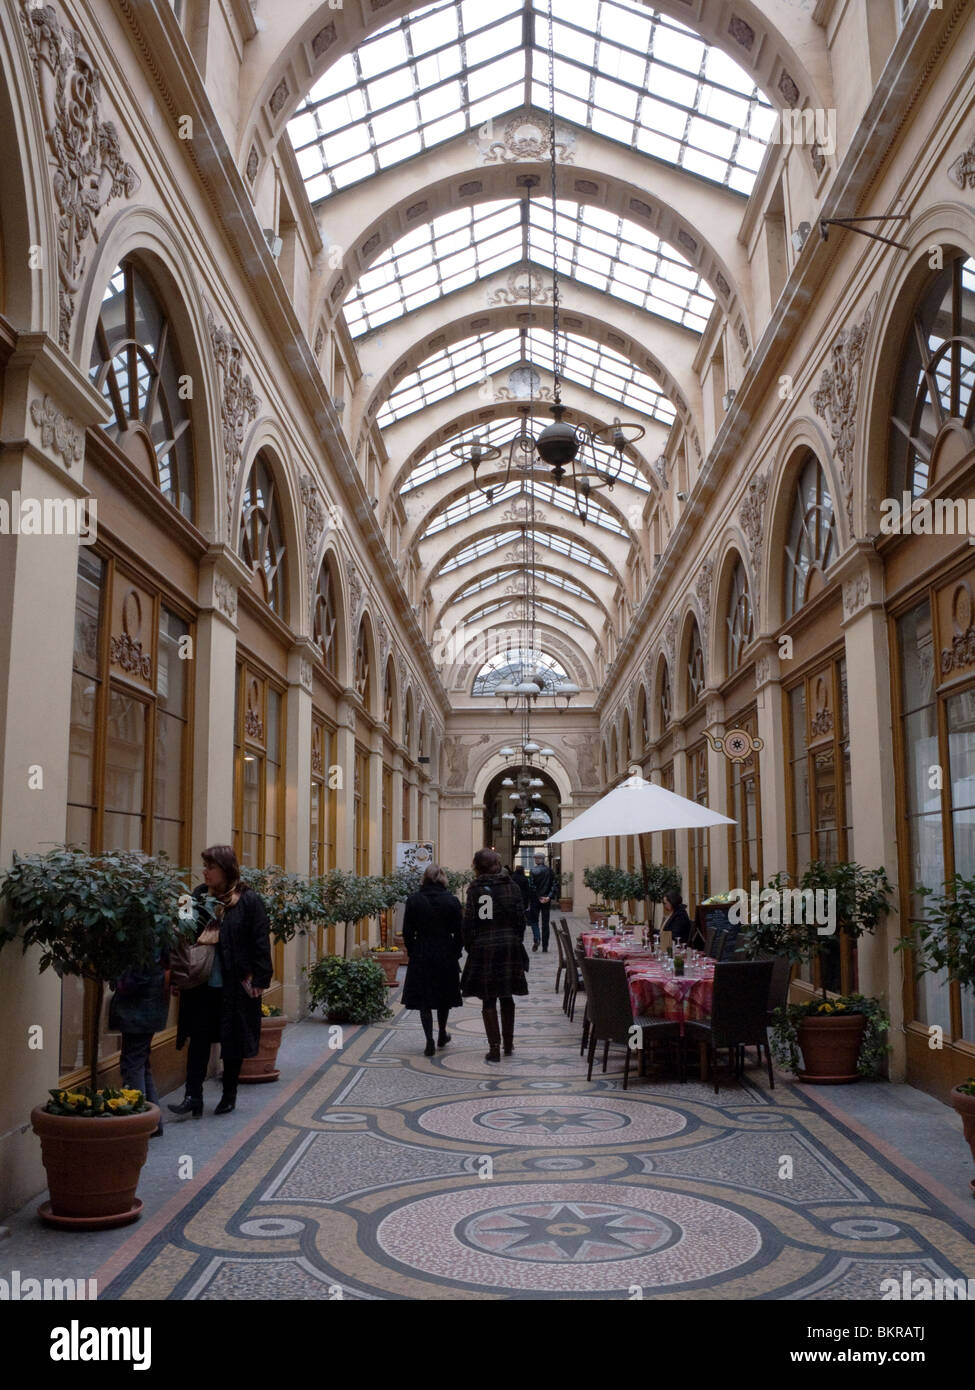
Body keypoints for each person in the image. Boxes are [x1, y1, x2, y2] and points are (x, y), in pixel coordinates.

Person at [170, 845, 272, 1118]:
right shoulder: (195, 896)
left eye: (210, 867)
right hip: (200, 983)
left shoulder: (249, 900)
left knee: (233, 1041)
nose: (204, 872)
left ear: (226, 870)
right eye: (204, 866)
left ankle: (229, 1094)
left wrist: (261, 978)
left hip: (235, 983)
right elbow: (179, 937)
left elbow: (260, 941)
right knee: (199, 1039)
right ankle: (193, 1097)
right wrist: (177, 976)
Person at [461, 848, 529, 1063]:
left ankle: (494, 1048)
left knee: (489, 997)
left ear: (478, 866)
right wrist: (514, 939)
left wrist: (472, 945)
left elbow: (476, 921)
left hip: (486, 946)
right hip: (509, 946)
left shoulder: (480, 890)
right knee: (507, 994)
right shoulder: (512, 886)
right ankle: (508, 1044)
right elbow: (520, 920)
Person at [401, 864, 464, 1056]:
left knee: (424, 999)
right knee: (443, 997)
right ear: (443, 879)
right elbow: (460, 932)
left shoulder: (413, 900)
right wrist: (455, 951)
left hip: (422, 951)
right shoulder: (452, 901)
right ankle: (442, 1033)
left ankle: (429, 1040)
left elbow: (407, 932)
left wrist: (413, 951)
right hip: (445, 952)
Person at [109, 954, 170, 1137]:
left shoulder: (147, 932)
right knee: (141, 1062)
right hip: (149, 1008)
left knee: (133, 1063)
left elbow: (138, 977)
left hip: (138, 1011)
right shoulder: (161, 929)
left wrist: (117, 975)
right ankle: (153, 1121)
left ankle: (140, 1121)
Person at [528, 851, 557, 953]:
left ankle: (537, 938)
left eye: (536, 858)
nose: (535, 860)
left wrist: (538, 897)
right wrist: (548, 897)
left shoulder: (533, 871)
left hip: (536, 900)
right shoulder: (550, 871)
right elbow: (554, 885)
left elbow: (532, 886)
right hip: (546, 900)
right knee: (545, 923)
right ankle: (545, 946)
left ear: (537, 859)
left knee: (534, 921)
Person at [512, 862, 532, 948]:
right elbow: (527, 890)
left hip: (514, 897)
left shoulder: (512, 878)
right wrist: (528, 901)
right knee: (522, 911)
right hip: (523, 898)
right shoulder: (524, 879)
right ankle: (523, 922)